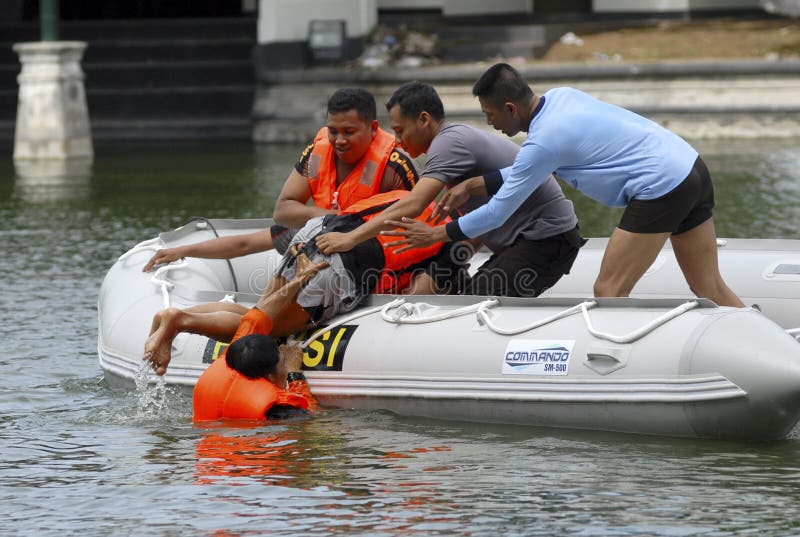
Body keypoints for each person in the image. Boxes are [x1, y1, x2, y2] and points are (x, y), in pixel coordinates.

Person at [385, 63, 744, 307]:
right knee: (708, 286)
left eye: (489, 115)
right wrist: (476, 183)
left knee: (609, 289)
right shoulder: (562, 97)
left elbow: (496, 214)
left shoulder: (544, 141)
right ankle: (756, 335)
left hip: (660, 188)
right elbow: (533, 168)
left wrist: (436, 234)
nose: (489, 122)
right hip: (691, 168)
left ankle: (615, 374)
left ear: (510, 108)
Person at [316, 81, 583, 297]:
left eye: (400, 131)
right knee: (466, 296)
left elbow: (413, 204)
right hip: (534, 240)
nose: (396, 142)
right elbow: (478, 226)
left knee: (473, 309)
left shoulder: (448, 144)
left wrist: (351, 238)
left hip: (546, 239)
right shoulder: (453, 142)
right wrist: (442, 268)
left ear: (423, 120)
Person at [144, 190, 453, 377]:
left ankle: (178, 314)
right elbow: (416, 296)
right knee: (268, 329)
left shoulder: (404, 198)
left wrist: (182, 250)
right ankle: (181, 320)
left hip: (318, 230)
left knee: (258, 314)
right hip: (348, 259)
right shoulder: (449, 235)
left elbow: (244, 244)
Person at [142, 87, 419, 271]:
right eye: (333, 131)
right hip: (326, 240)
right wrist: (184, 251)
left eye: (349, 131)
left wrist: (345, 228)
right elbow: (279, 215)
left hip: (379, 261)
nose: (339, 140)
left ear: (372, 129)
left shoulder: (395, 167)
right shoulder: (316, 155)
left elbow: (418, 230)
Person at [191, 245, 326, 422]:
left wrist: (300, 279)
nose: (285, 365)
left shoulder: (229, 359)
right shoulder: (276, 408)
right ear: (270, 376)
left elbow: (257, 317)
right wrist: (294, 373)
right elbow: (312, 418)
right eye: (282, 362)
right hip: (251, 446)